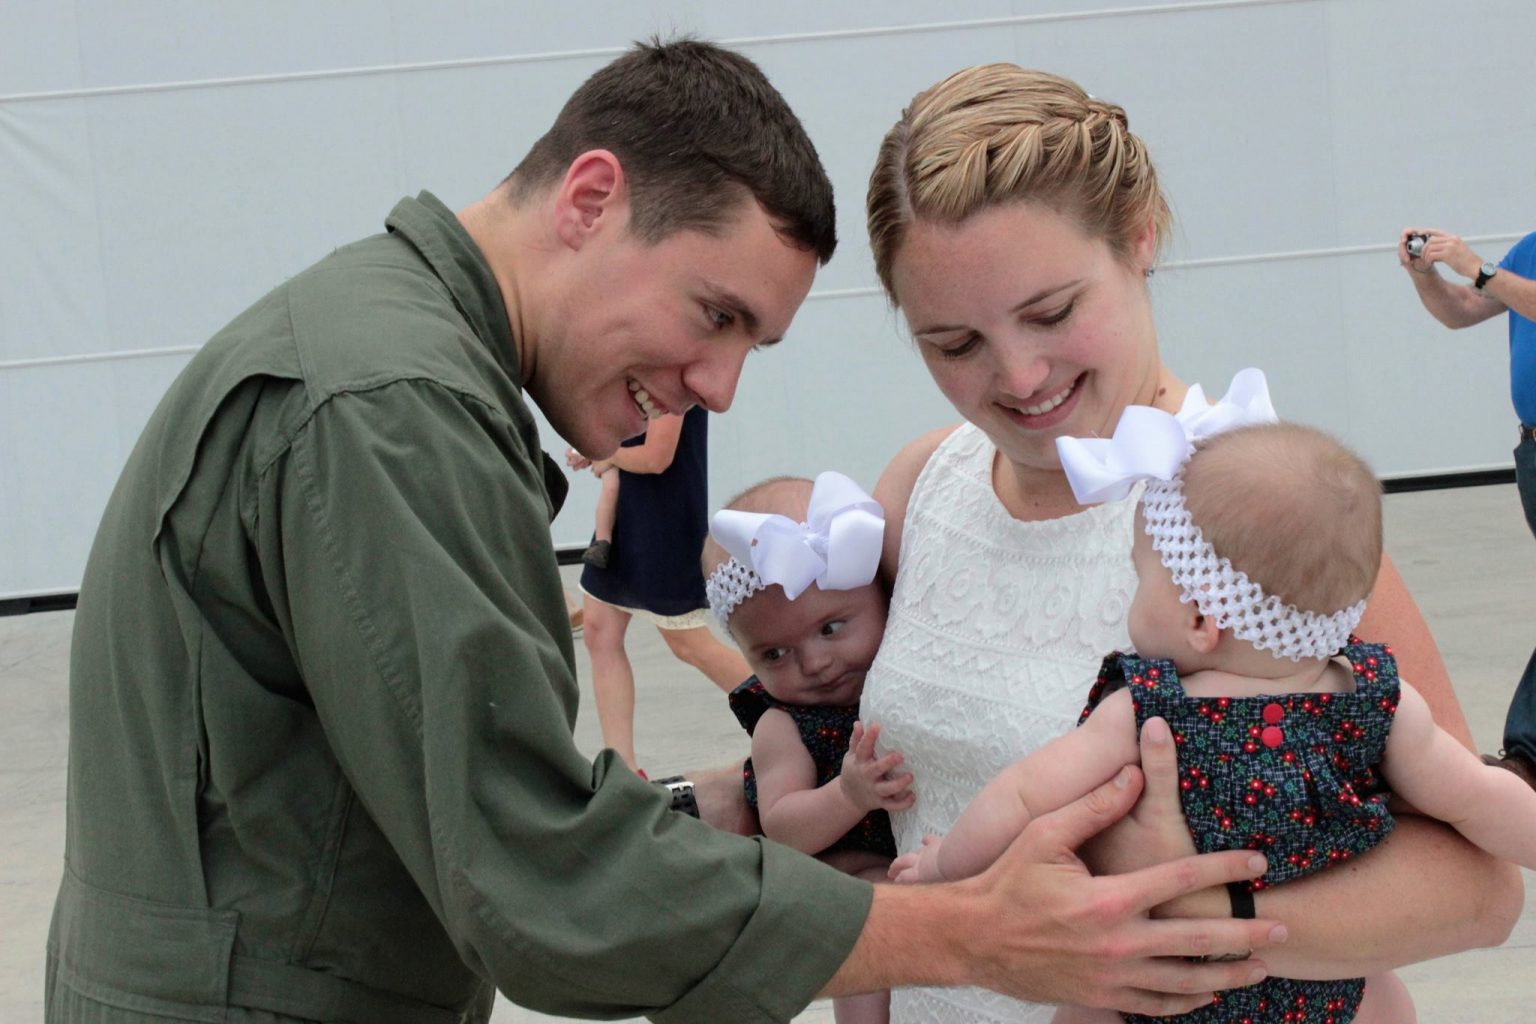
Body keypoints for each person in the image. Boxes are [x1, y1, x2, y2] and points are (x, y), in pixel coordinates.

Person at [45, 40, 1283, 1024]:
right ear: (592, 197)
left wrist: (717, 808)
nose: (723, 386)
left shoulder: (380, 351)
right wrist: (968, 934)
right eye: (715, 312)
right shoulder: (394, 411)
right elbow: (536, 877)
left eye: (755, 340)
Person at [858, 64, 1523, 1023]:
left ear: (1139, 239)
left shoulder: (1264, 527)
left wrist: (1196, 912)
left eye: (1050, 313)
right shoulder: (922, 485)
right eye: (953, 343)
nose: (1019, 373)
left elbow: (1480, 891)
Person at [890, 393, 1536, 1023]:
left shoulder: (1150, 710)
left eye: (1141, 578)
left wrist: (945, 868)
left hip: (1159, 982)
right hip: (1330, 983)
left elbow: (1023, 799)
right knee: (1382, 995)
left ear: (1200, 618)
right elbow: (1477, 797)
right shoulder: (1379, 701)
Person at [705, 471, 909, 1024]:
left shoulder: (905, 667)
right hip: (843, 871)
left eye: (832, 627)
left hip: (923, 856)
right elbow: (784, 825)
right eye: (773, 654)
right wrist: (848, 793)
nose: (814, 664)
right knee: (870, 911)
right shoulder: (784, 724)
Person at [1399, 225, 1536, 787]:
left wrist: (1480, 268)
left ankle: (1527, 755)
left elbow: (1490, 284)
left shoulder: (1507, 263)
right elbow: (1461, 310)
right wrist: (1427, 275)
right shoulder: (1528, 248)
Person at [567, 406, 749, 774]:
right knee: (600, 633)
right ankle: (624, 772)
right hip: (628, 515)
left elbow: (657, 456)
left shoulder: (674, 360)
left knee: (688, 643)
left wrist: (607, 454)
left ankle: (796, 711)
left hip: (663, 522)